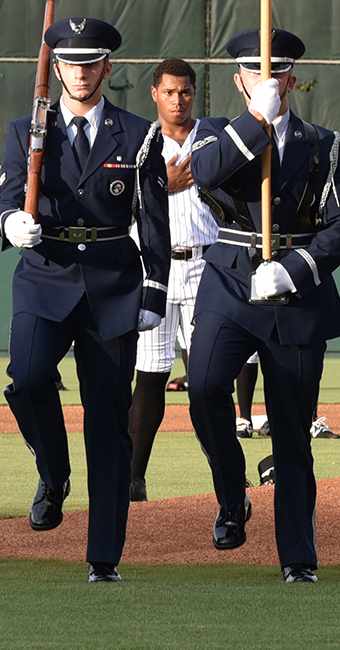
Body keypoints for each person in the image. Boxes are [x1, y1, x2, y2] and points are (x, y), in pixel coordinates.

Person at [0, 16, 169, 583]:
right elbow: (5, 194)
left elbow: (155, 222)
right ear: (58, 68)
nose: (80, 72)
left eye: (91, 62)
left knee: (107, 420)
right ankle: (53, 470)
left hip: (113, 284)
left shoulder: (139, 133)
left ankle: (104, 557)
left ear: (107, 68)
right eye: (70, 62)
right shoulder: (27, 130)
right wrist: (8, 221)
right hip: (44, 274)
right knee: (26, 377)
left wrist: (154, 294)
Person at [186, 28, 340, 583]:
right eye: (257, 74)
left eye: (278, 73)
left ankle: (298, 557)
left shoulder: (323, 142)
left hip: (296, 293)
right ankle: (232, 496)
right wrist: (254, 123)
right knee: (205, 386)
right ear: (239, 80)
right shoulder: (214, 132)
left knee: (291, 429)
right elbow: (206, 175)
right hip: (231, 281)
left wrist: (292, 269)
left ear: (292, 78)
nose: (270, 82)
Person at [129, 58, 219, 502]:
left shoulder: (214, 139)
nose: (177, 100)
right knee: (150, 375)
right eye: (169, 92)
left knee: (208, 379)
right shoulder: (137, 143)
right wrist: (160, 184)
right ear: (154, 94)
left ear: (194, 93)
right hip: (156, 269)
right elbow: (113, 205)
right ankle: (133, 478)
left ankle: (227, 473)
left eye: (184, 91)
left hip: (207, 265)